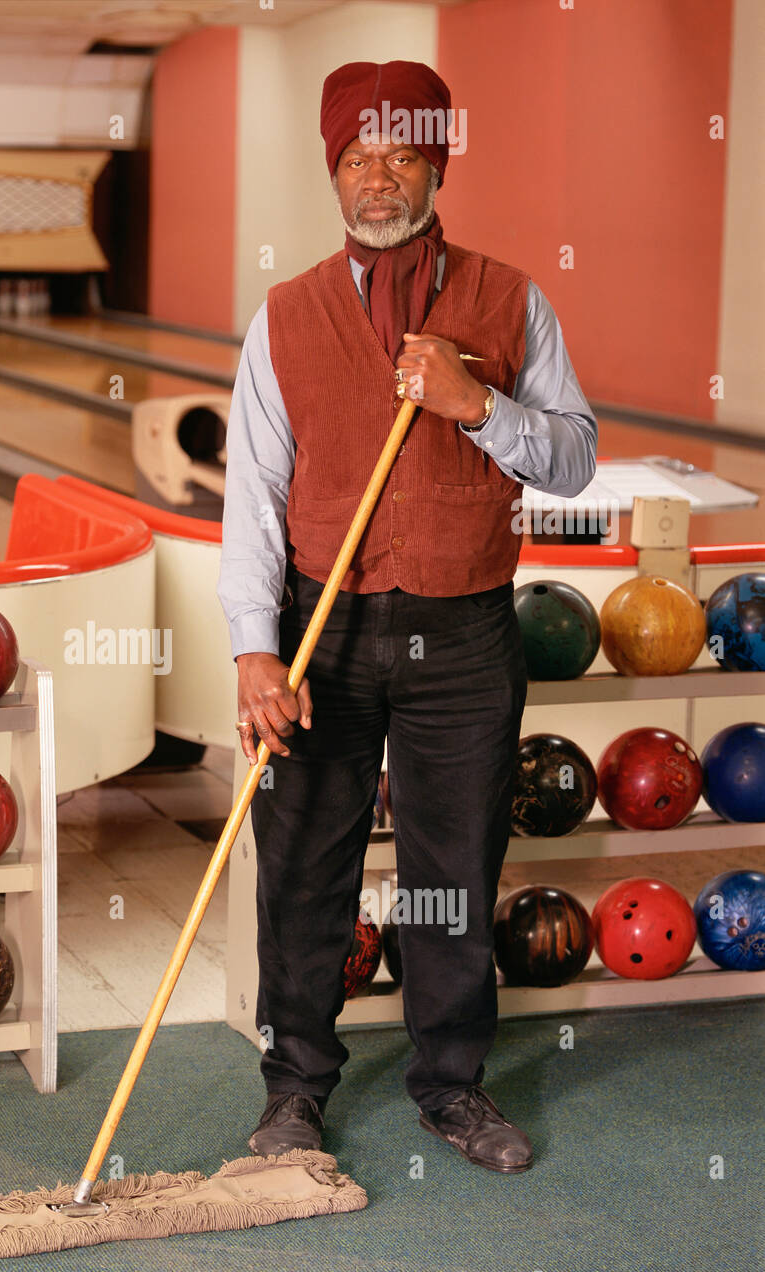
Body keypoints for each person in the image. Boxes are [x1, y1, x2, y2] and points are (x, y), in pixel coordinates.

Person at [218, 60, 597, 1173]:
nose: (375, 178)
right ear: (331, 169)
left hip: (465, 632)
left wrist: (476, 404)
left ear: (436, 161)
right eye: (354, 157)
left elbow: (573, 460)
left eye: (398, 155)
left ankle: (450, 1084)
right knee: (301, 866)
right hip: (318, 632)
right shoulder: (281, 318)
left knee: (450, 867)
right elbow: (251, 501)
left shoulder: (512, 299)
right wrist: (253, 650)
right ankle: (293, 1088)